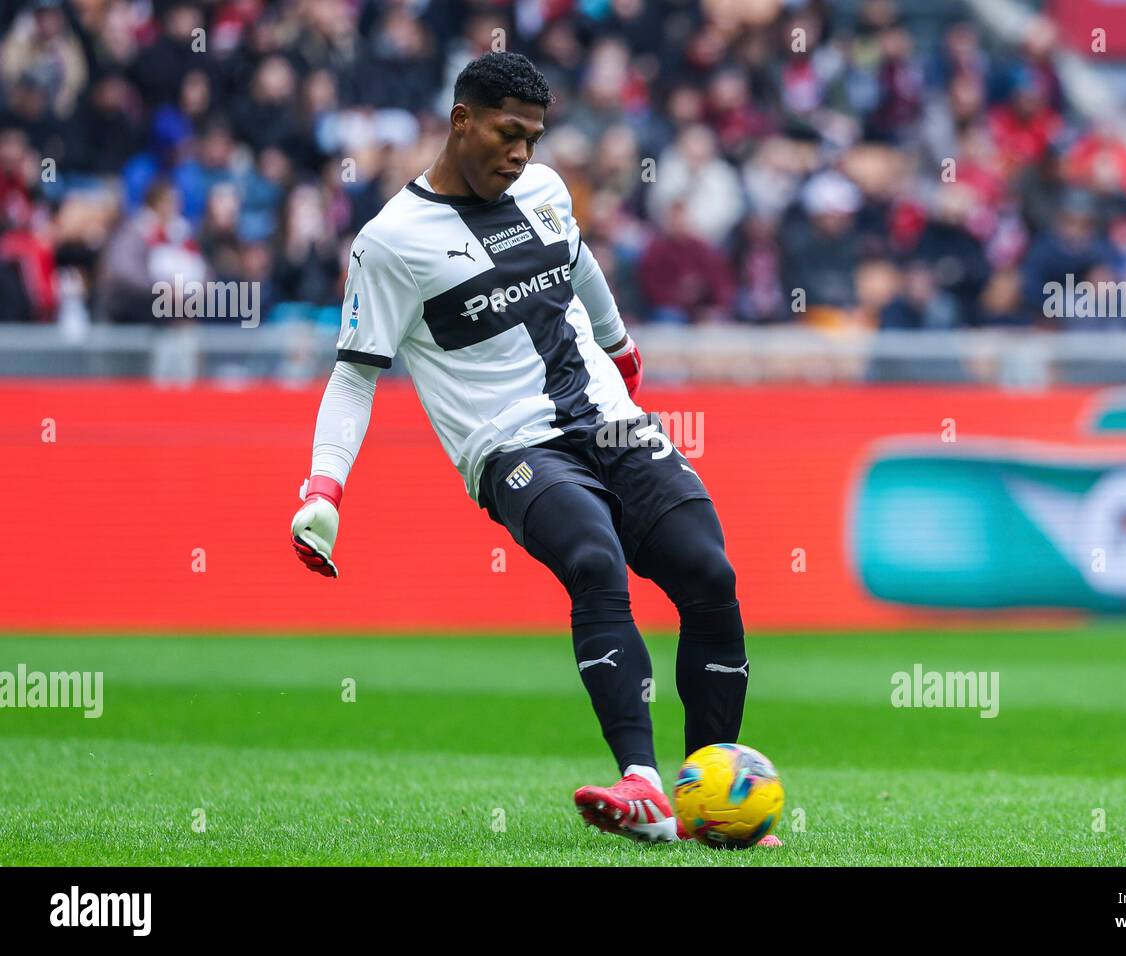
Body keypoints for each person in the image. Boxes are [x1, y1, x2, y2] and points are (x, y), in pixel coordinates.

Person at [288, 52, 775, 846]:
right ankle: (644, 786)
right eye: (508, 135)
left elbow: (579, 266)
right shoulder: (391, 243)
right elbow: (354, 377)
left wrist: (619, 347)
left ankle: (710, 803)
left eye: (533, 138)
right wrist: (323, 488)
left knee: (709, 572)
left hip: (610, 421)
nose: (520, 154)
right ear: (461, 121)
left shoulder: (544, 193)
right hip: (508, 443)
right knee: (593, 559)